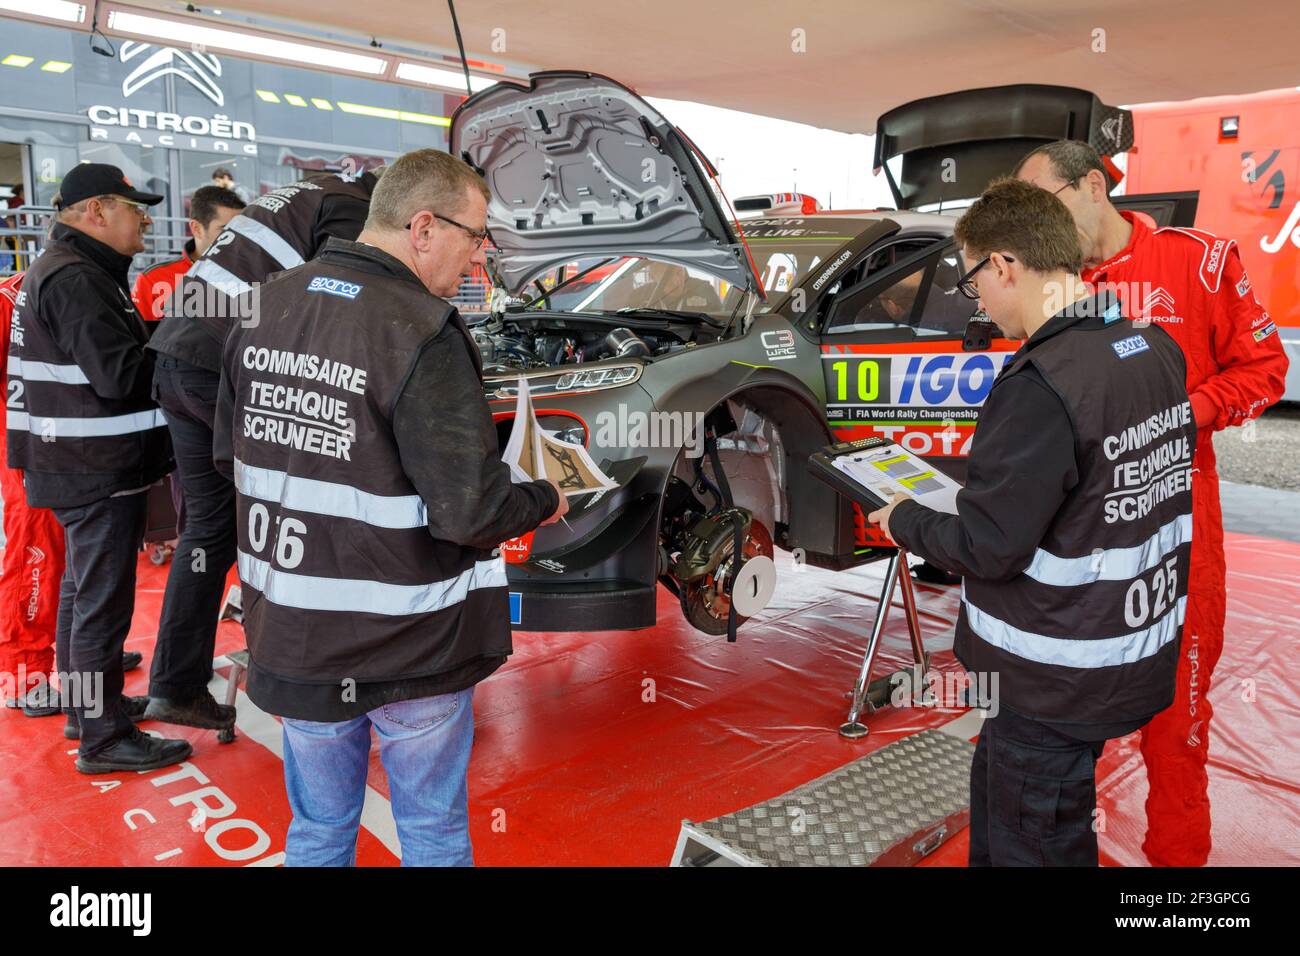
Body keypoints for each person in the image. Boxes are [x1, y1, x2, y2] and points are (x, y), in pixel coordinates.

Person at [213, 148, 568, 866]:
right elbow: (467, 512)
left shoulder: (266, 303)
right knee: (432, 831)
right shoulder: (424, 328)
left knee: (316, 831)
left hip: (295, 633)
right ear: (425, 226)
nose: (476, 261)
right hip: (408, 637)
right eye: (476, 238)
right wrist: (545, 496)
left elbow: (233, 456)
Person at [868, 178, 1195, 866]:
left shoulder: (1041, 381)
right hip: (1124, 655)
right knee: (1004, 822)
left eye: (972, 280)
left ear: (1005, 265)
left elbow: (989, 547)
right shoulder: (1150, 341)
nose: (977, 299)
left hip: (1052, 681)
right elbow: (1093, 486)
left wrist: (905, 520)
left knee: (1031, 846)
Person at [1015, 140, 1289, 866]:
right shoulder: (1051, 281)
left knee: (1175, 738)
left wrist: (1184, 412)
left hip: (1178, 544)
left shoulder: (1199, 259)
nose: (1040, 223)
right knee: (1062, 736)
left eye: (1050, 202)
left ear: (1094, 186)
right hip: (1079, 553)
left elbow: (1265, 369)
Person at [143, 168, 380, 733]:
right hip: (218, 364)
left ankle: (175, 686)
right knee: (285, 511)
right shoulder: (353, 208)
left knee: (208, 532)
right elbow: (339, 294)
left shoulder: (305, 193)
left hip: (177, 358)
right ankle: (295, 670)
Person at [5, 163, 190, 772]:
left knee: (83, 592)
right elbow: (120, 376)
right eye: (133, 207)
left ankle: (89, 711)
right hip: (94, 467)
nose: (143, 217)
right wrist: (185, 347)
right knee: (101, 603)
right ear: (96, 211)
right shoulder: (77, 278)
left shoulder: (62, 270)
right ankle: (104, 739)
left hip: (72, 464)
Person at [132, 185, 245, 324]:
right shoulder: (153, 279)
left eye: (242, 229)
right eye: (226, 230)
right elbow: (141, 340)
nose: (237, 237)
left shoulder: (257, 274)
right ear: (196, 228)